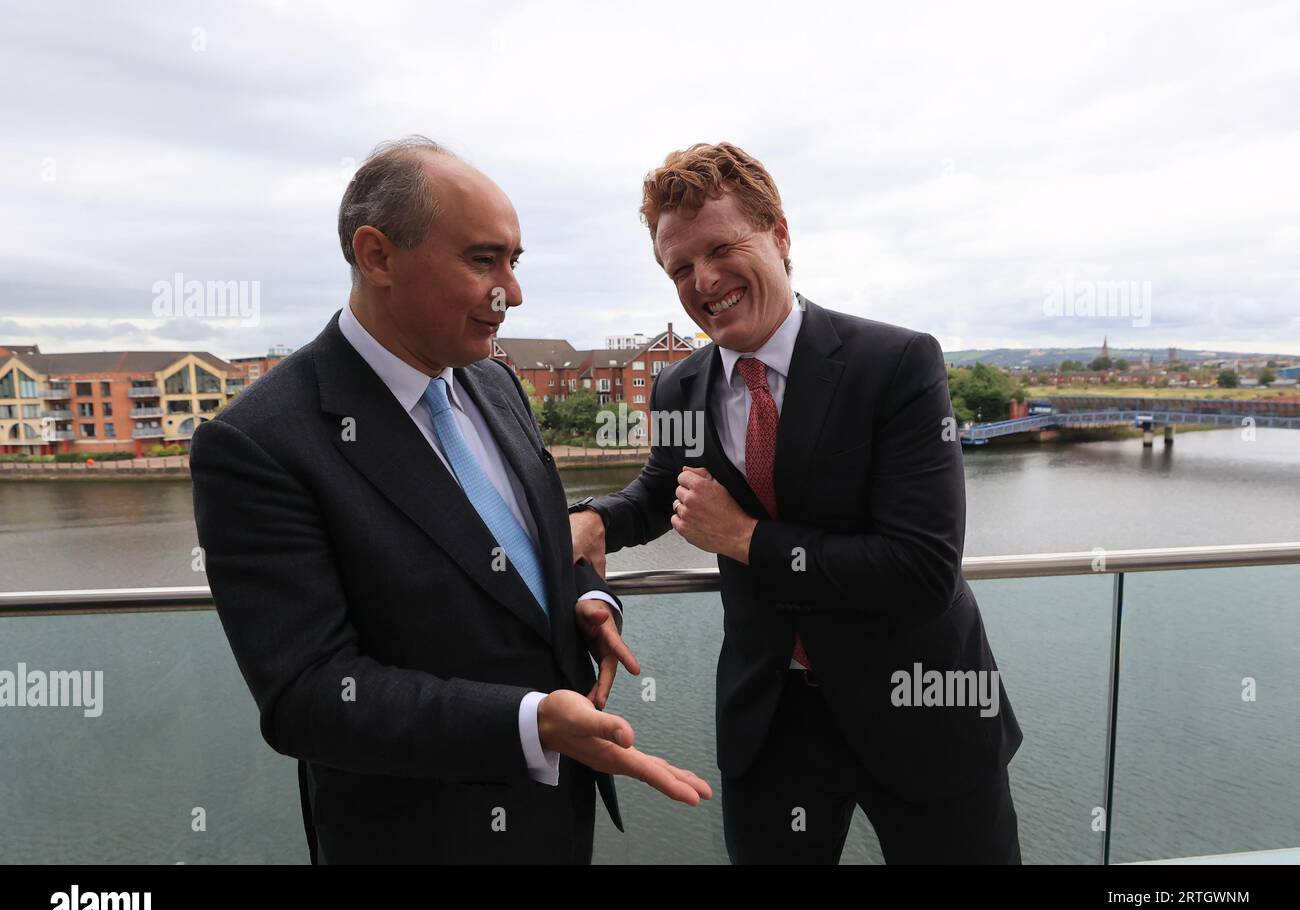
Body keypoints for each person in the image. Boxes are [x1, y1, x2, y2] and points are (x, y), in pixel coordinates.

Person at [191, 136, 710, 865]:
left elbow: (523, 543)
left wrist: (580, 597)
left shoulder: (492, 382)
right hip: (417, 836)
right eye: (483, 260)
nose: (514, 292)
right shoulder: (259, 443)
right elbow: (308, 694)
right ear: (377, 256)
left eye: (515, 261)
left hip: (556, 816)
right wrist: (531, 722)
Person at [570, 142, 1021, 864]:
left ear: (780, 235)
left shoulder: (896, 365)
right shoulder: (680, 387)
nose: (703, 280)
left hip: (921, 705)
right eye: (679, 267)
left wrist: (746, 539)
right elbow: (664, 491)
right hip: (773, 718)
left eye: (721, 247)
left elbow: (922, 568)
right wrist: (599, 518)